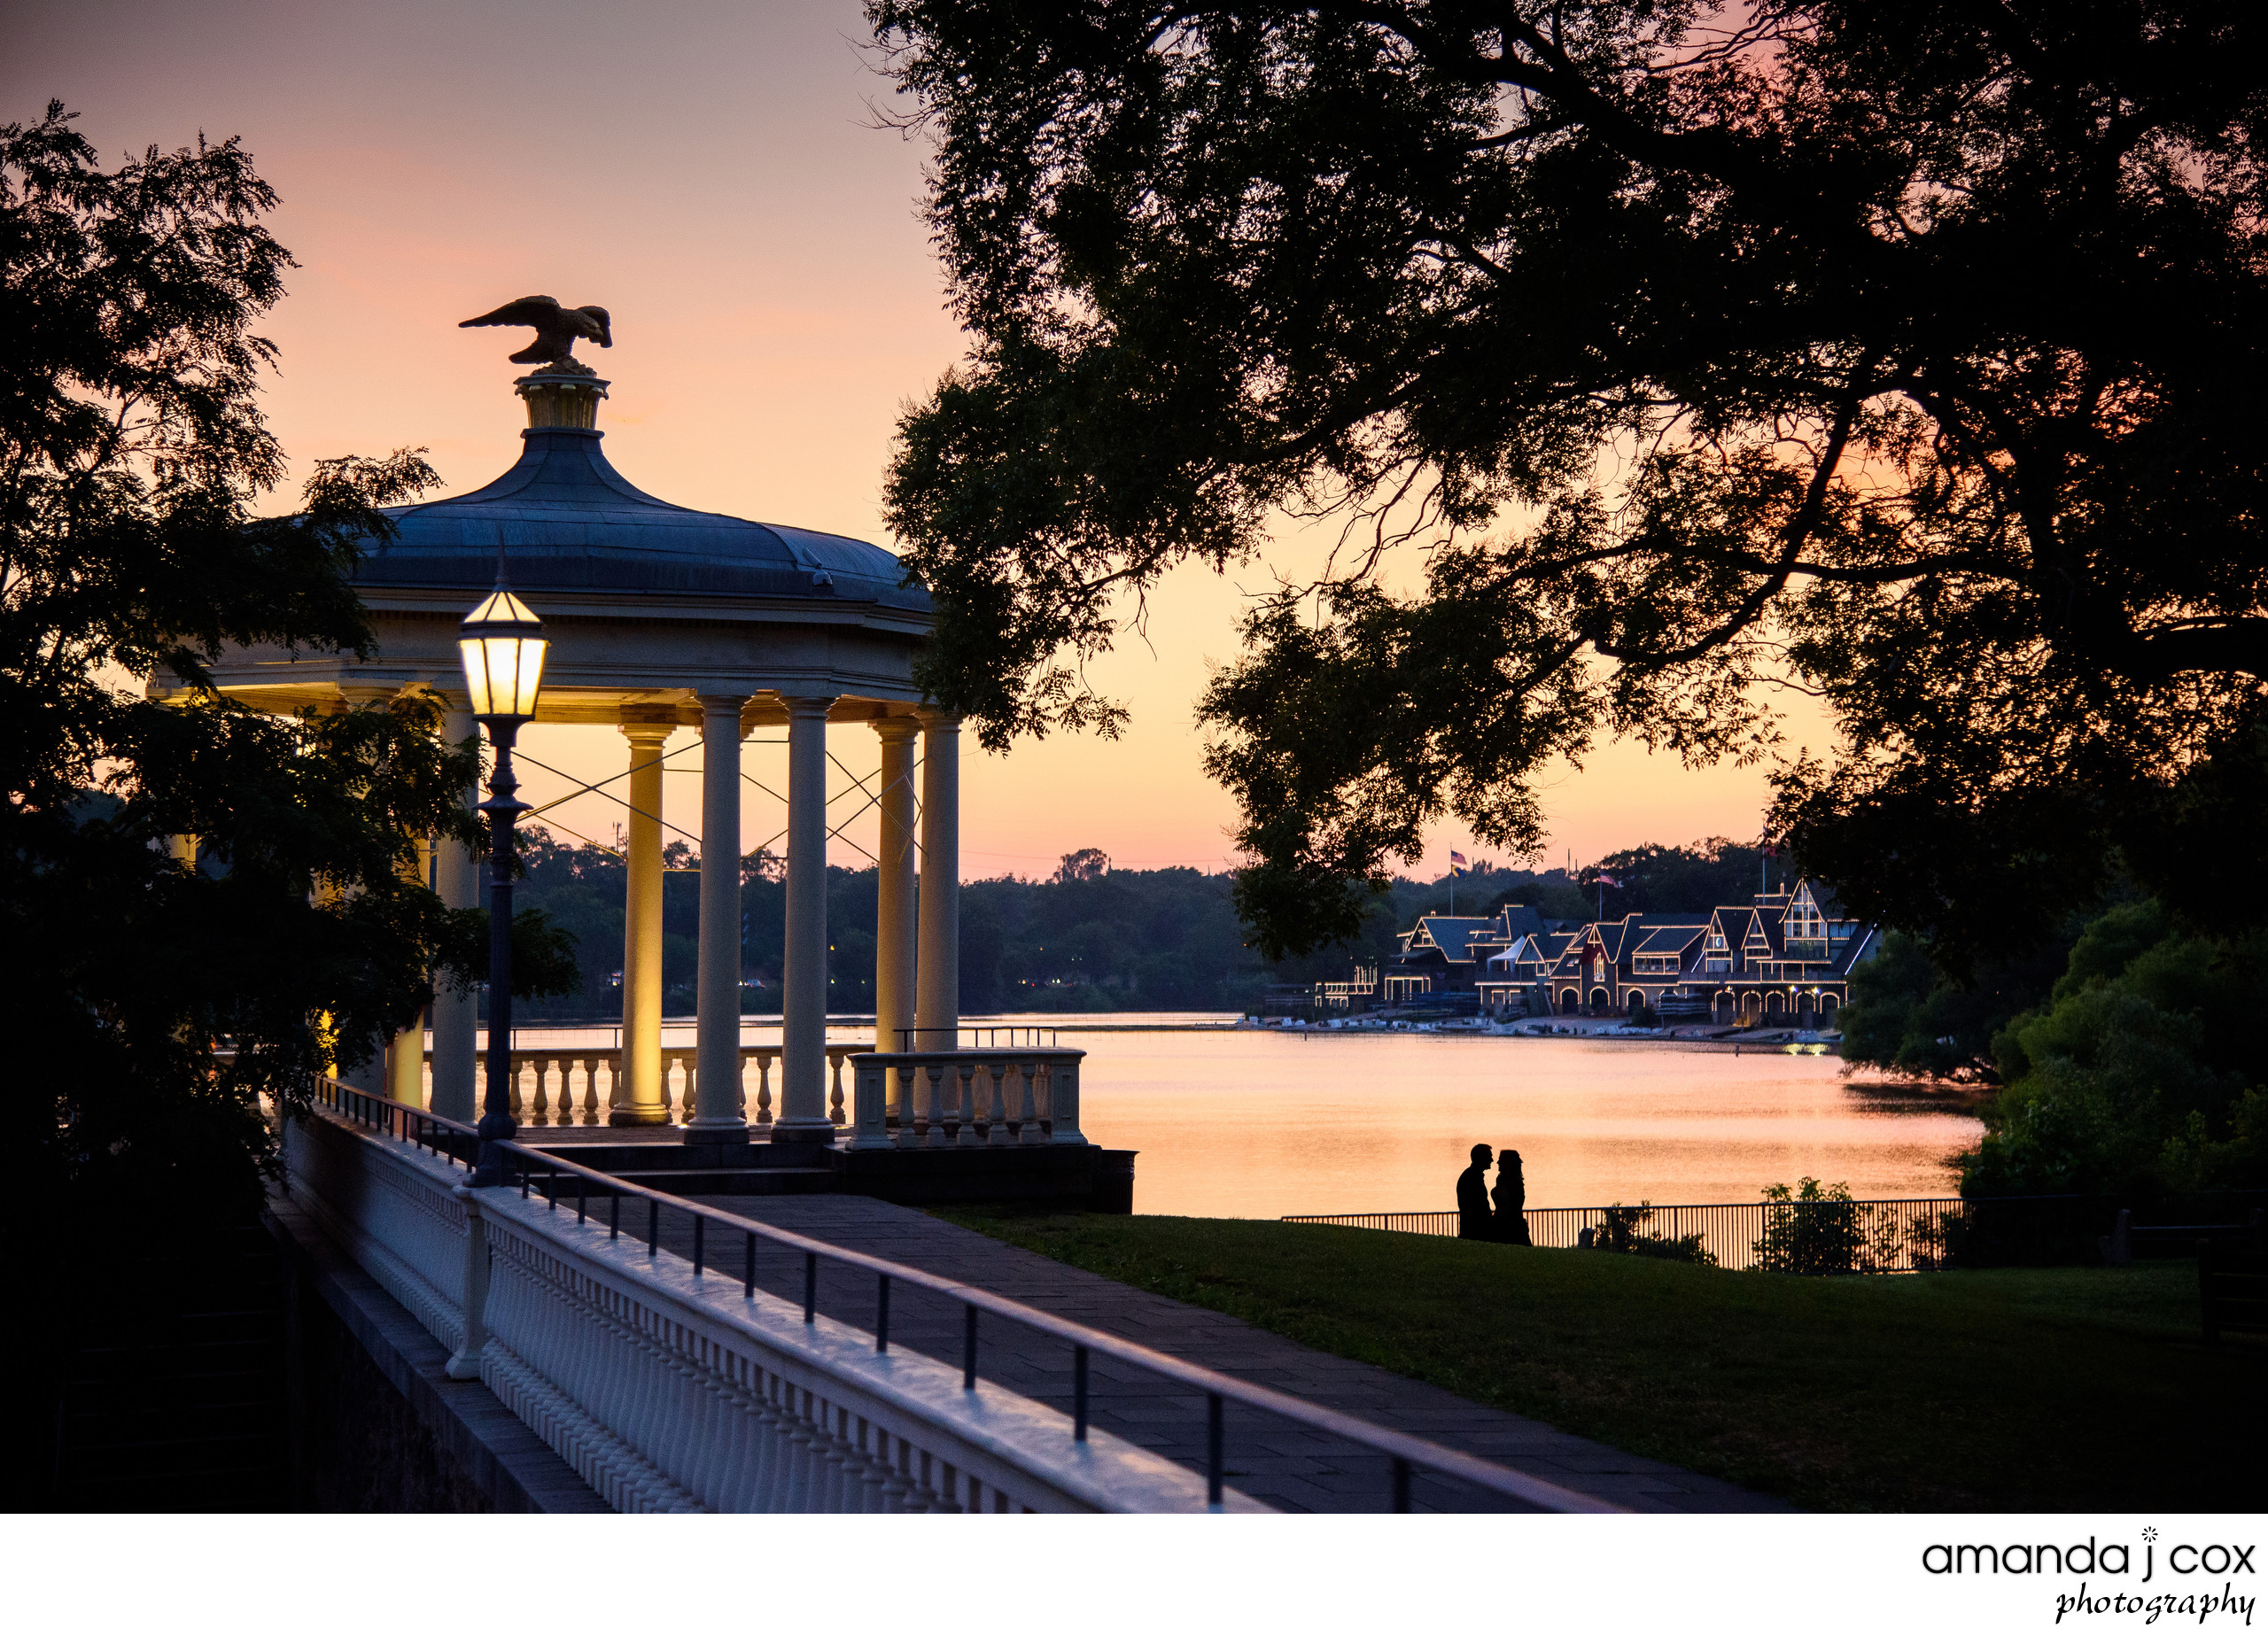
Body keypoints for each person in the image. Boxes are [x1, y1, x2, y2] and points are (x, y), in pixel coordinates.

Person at [1493, 1149, 1532, 1245]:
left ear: (1509, 1163)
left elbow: (1514, 1206)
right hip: (1500, 1225)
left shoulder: (1516, 1183)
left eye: (1501, 1160)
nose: (1498, 1162)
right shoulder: (1500, 1179)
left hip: (1512, 1227)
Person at [1456, 1144, 1495, 1239]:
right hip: (1475, 1232)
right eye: (1489, 1157)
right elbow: (1478, 1207)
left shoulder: (1470, 1176)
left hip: (1472, 1231)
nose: (1492, 1160)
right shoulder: (1472, 1178)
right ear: (1481, 1158)